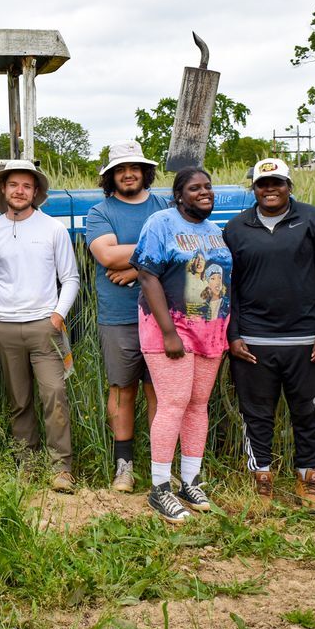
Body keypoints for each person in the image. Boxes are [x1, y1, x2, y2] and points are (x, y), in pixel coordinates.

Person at [223, 158, 315, 508]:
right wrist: (234, 335)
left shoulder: (314, 220)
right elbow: (228, 287)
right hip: (254, 343)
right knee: (257, 415)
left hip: (306, 341)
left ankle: (308, 482)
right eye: (263, 184)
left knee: (306, 413)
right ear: (254, 188)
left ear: (290, 186)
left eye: (277, 182)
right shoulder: (236, 228)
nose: (270, 189)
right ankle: (262, 480)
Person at [132, 167, 232, 523]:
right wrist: (169, 331)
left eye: (208, 187)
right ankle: (160, 488)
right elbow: (146, 275)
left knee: (198, 405)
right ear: (179, 195)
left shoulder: (214, 231)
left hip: (210, 332)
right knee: (173, 404)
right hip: (170, 331)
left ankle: (191, 480)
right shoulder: (161, 223)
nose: (204, 192)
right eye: (194, 188)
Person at [0, 160, 80, 492]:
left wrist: (57, 316)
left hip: (44, 327)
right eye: (13, 185)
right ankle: (28, 464)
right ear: (3, 190)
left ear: (35, 192)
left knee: (54, 395)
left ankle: (61, 467)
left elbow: (71, 278)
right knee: (18, 400)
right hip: (5, 328)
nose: (19, 191)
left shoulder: (52, 229)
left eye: (26, 186)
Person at [85, 140, 167, 492]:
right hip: (119, 315)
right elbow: (107, 256)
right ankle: (124, 467)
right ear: (111, 176)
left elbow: (182, 249)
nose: (128, 173)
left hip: (164, 315)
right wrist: (156, 248)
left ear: (145, 171)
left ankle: (161, 468)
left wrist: (135, 271)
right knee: (122, 388)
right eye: (120, 169)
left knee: (159, 391)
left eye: (134, 167)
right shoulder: (100, 213)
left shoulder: (165, 205)